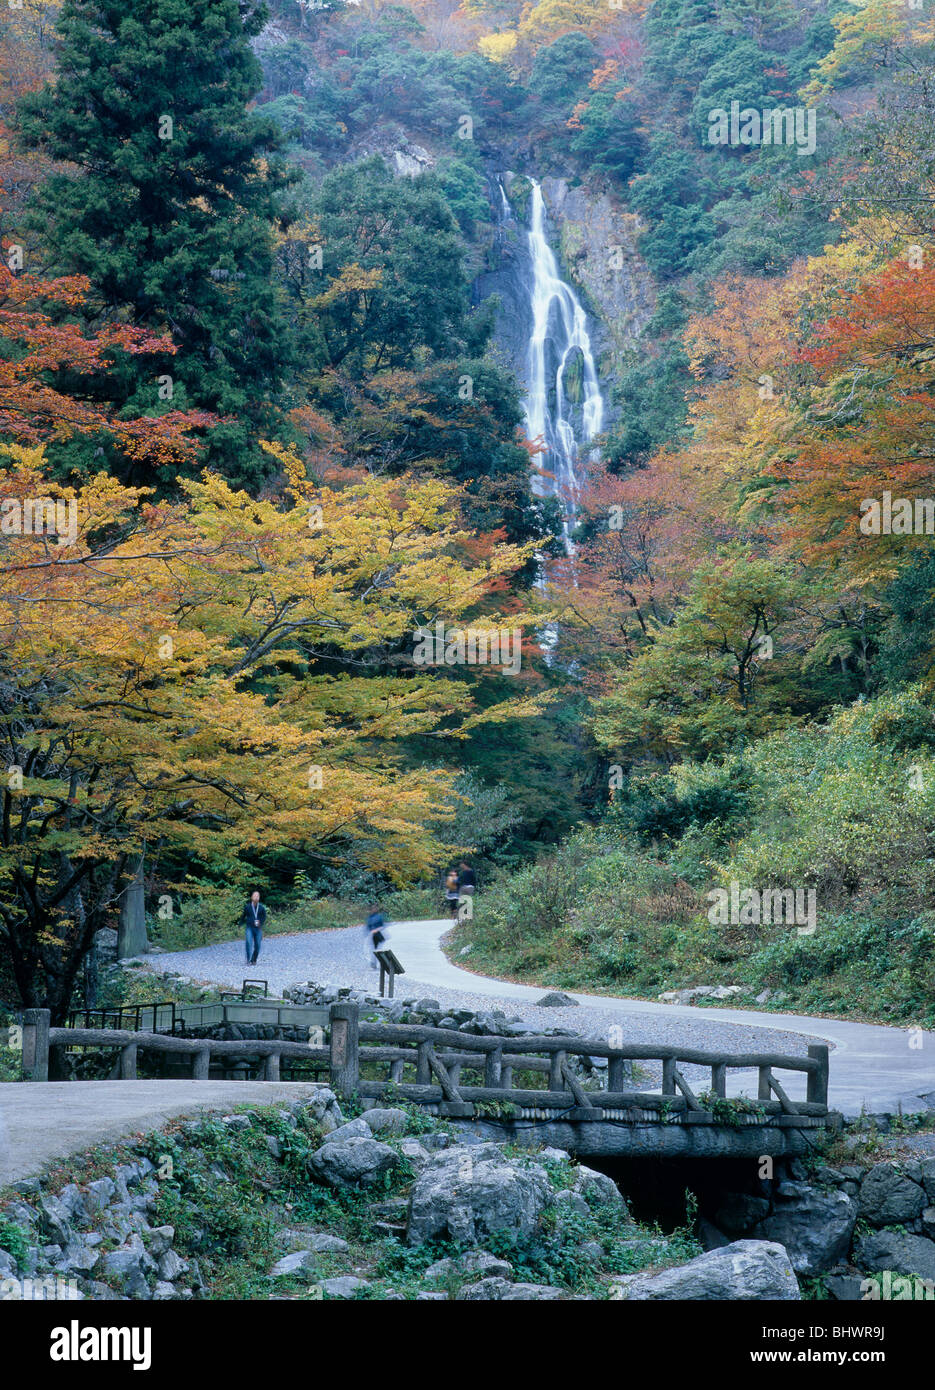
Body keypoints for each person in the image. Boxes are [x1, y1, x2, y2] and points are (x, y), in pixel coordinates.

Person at [242, 890, 266, 965]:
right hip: (249, 927)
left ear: (259, 898)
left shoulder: (261, 907)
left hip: (258, 928)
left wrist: (260, 922)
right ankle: (248, 959)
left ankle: (254, 959)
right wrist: (241, 923)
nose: (256, 897)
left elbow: (264, 916)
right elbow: (243, 916)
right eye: (255, 896)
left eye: (257, 896)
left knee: (258, 945)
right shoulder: (248, 907)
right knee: (249, 942)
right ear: (251, 897)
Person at [363, 906, 387, 970]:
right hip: (372, 936)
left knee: (377, 949)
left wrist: (375, 930)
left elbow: (382, 926)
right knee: (372, 950)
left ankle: (380, 963)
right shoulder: (370, 918)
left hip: (378, 935)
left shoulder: (378, 917)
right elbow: (368, 927)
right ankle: (374, 963)